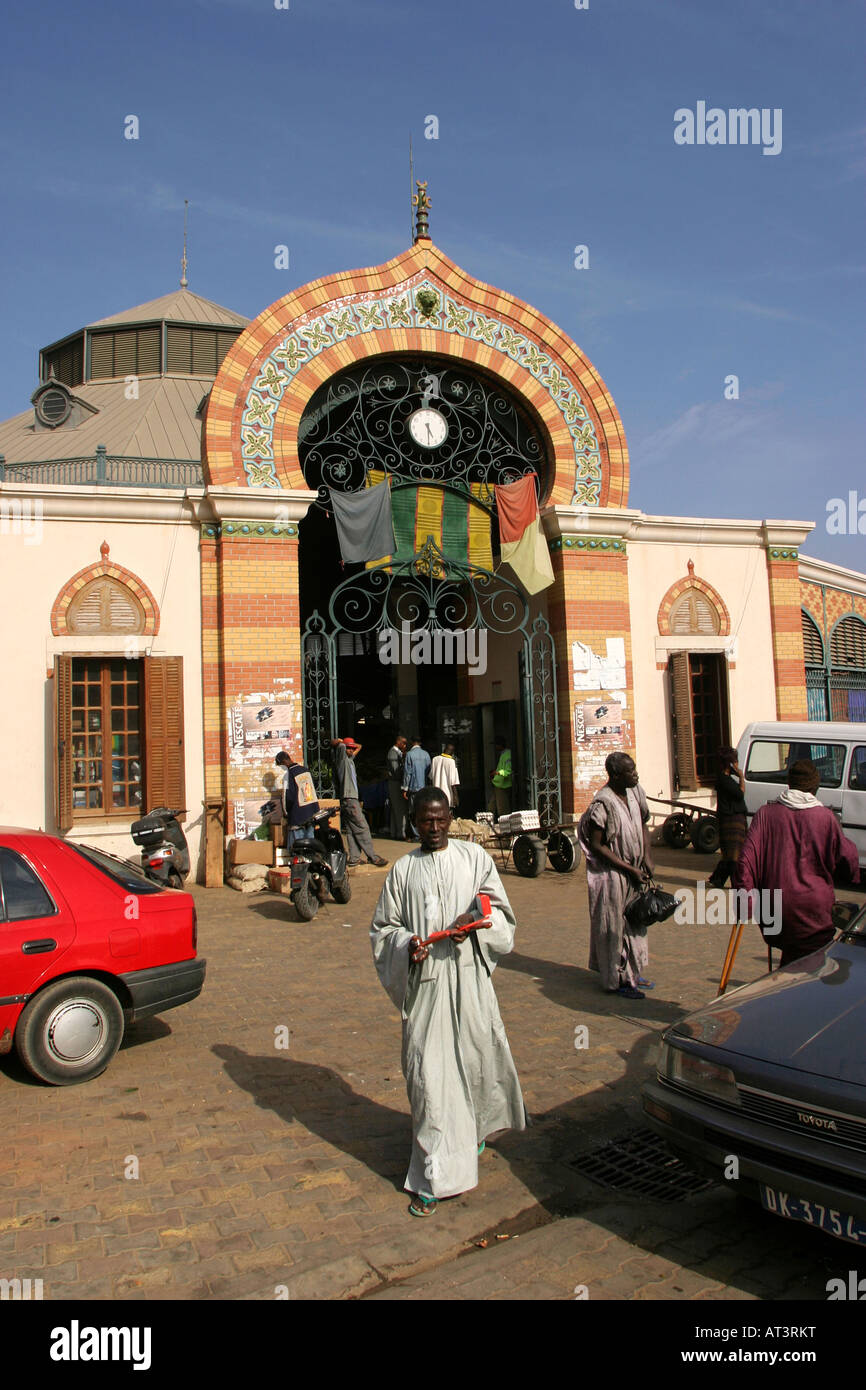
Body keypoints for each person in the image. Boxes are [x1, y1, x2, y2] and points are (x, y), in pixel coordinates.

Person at [370, 786, 525, 1217]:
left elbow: (499, 913)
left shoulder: (474, 859)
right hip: (427, 987)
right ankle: (432, 1176)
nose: (434, 829)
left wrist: (473, 924)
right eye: (425, 821)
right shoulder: (402, 870)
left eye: (441, 820)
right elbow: (384, 928)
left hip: (470, 979)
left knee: (476, 1061)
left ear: (451, 817)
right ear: (413, 822)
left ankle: (470, 1130)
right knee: (429, 1077)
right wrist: (408, 946)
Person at [735, 759, 859, 966]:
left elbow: (745, 862)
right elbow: (848, 858)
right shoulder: (826, 818)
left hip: (775, 910)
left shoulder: (766, 814)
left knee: (793, 956)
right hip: (814, 911)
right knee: (813, 965)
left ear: (790, 784)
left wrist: (745, 901)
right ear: (815, 787)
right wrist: (850, 875)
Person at [577, 752, 654, 1000]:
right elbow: (598, 846)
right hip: (611, 875)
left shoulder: (635, 792)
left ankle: (633, 971)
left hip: (634, 871)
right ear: (617, 775)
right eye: (630, 771)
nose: (636, 774)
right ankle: (617, 978)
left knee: (635, 921)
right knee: (613, 926)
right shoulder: (603, 803)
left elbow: (643, 823)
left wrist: (647, 858)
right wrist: (628, 869)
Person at [331, 737, 388, 868]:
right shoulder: (342, 758)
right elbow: (335, 744)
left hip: (349, 799)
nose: (351, 750)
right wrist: (341, 742)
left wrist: (350, 744)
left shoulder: (349, 760)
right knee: (363, 827)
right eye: (348, 748)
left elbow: (359, 746)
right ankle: (372, 856)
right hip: (349, 799)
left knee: (352, 829)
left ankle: (354, 858)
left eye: (352, 748)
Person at [708, 745, 748, 888]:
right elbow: (740, 793)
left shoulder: (726, 778)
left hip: (734, 818)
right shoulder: (724, 780)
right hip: (730, 819)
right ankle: (736, 882)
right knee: (733, 855)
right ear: (729, 763)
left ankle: (718, 879)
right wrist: (741, 777)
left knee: (732, 853)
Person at [274, 750, 319, 848]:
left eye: (279, 766)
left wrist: (286, 814)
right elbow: (313, 788)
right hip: (311, 813)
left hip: (297, 816)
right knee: (310, 845)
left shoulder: (289, 775)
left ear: (283, 762)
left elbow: (288, 797)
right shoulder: (305, 770)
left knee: (297, 847)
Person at [401, 737, 431, 835]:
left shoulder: (409, 754)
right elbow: (429, 771)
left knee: (413, 811)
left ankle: (416, 833)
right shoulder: (426, 754)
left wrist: (405, 788)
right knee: (424, 809)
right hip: (424, 787)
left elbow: (407, 773)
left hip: (413, 787)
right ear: (420, 743)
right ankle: (424, 831)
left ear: (412, 743)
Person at [386, 734, 408, 840]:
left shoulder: (397, 753)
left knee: (396, 807)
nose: (404, 745)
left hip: (395, 782)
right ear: (398, 742)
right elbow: (396, 771)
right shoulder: (393, 753)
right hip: (395, 783)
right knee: (399, 808)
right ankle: (400, 833)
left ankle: (394, 832)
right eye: (403, 743)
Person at [430, 741, 460, 809]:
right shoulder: (451, 762)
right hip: (447, 797)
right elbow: (453, 783)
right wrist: (456, 797)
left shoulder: (435, 759)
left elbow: (431, 778)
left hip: (436, 796)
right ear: (452, 753)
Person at [488, 737, 512, 819]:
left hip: (502, 786)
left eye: (496, 745)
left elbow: (508, 771)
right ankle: (487, 822)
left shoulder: (507, 755)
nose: (495, 747)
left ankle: (506, 828)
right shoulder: (503, 754)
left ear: (500, 745)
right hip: (497, 785)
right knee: (491, 807)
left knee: (502, 810)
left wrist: (497, 773)